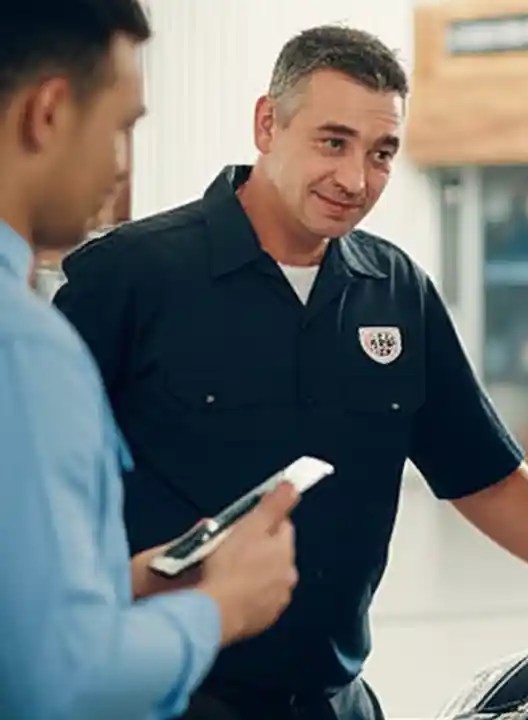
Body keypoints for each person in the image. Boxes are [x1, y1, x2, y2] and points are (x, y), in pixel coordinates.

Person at [53, 24, 528, 720]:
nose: (355, 179)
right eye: (333, 142)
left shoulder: (395, 288)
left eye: (382, 153)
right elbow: (32, 482)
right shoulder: (131, 277)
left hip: (335, 699)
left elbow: (482, 474)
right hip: (161, 690)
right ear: (268, 124)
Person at [0, 3, 305, 719]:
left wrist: (121, 581)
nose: (119, 165)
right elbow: (56, 682)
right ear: (47, 113)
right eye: (120, 127)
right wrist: (220, 607)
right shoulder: (24, 348)